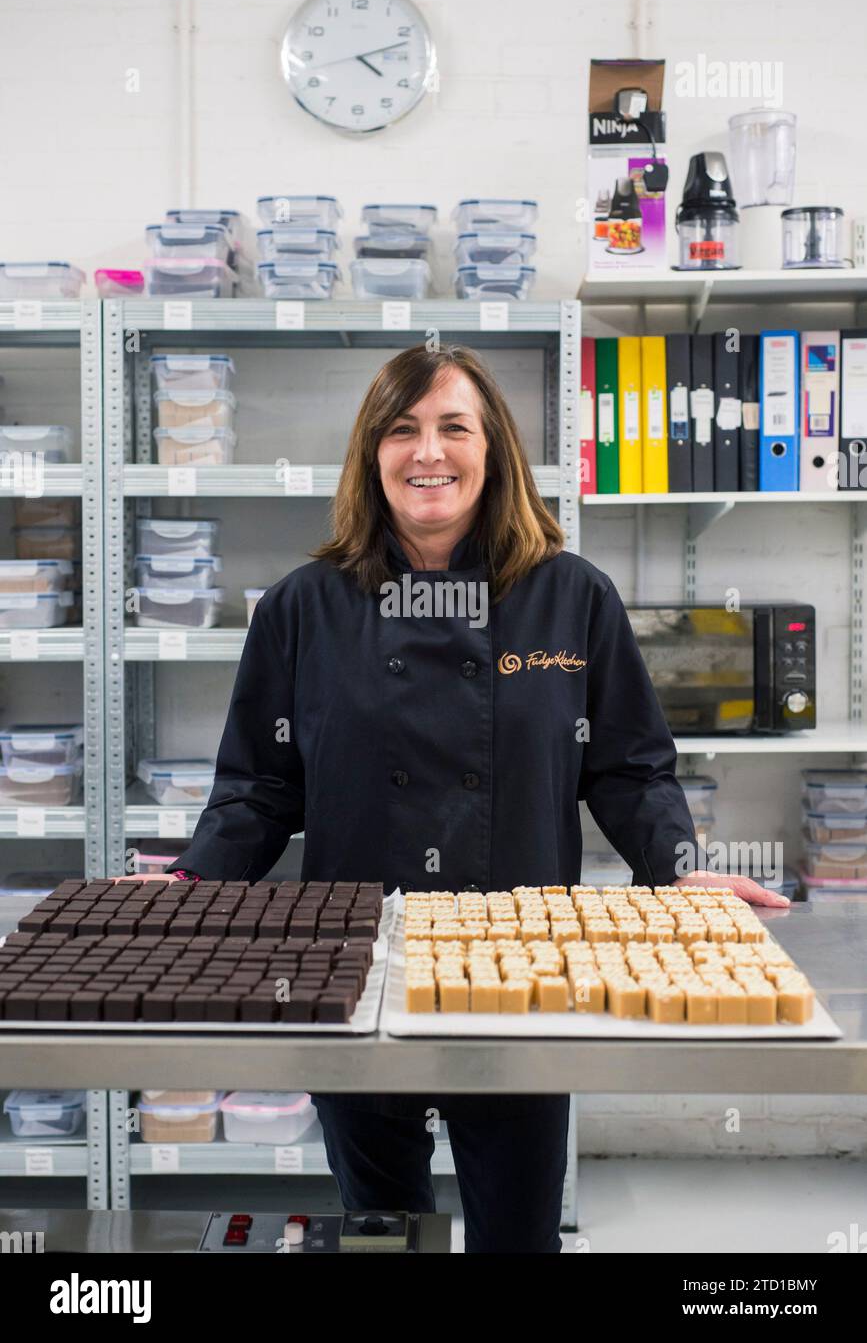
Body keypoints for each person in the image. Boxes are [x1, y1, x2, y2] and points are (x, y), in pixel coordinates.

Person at [171, 342, 788, 1253]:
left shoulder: (570, 597)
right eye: (402, 429)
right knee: (384, 1232)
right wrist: (192, 879)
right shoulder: (301, 609)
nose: (428, 451)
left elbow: (629, 770)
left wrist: (677, 869)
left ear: (491, 448)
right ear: (370, 454)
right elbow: (259, 787)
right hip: (360, 968)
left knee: (520, 1234)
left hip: (525, 971)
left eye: (453, 427)